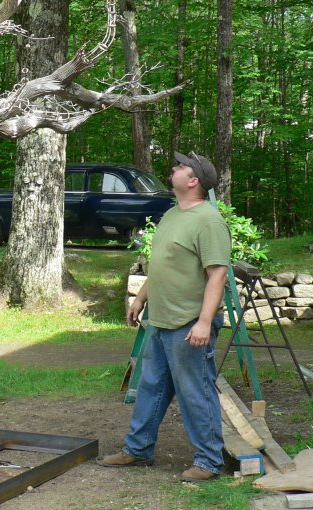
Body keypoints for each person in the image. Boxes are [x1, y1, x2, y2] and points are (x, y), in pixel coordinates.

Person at [98, 151, 231, 482]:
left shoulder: (209, 221)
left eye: (181, 166)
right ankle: (138, 449)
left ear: (194, 180)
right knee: (151, 386)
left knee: (195, 391)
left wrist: (203, 322)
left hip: (189, 323)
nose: (173, 168)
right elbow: (163, 265)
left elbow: (217, 276)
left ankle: (209, 461)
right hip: (160, 318)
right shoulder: (172, 214)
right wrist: (141, 298)